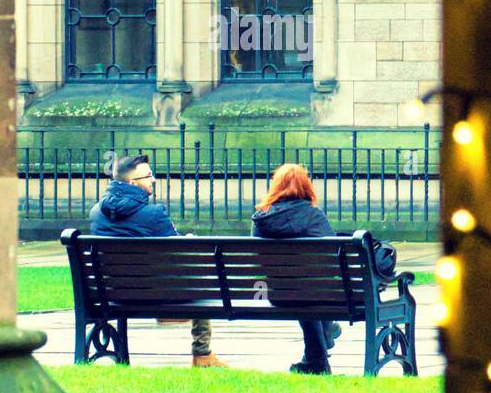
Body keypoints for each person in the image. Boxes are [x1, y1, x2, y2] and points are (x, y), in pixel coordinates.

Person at [88, 154, 227, 368]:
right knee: (202, 266)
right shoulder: (153, 214)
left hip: (114, 294)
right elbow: (179, 254)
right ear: (133, 183)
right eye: (149, 175)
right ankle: (202, 352)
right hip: (157, 296)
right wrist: (189, 242)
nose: (154, 179)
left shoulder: (96, 213)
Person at [250, 163, 343, 375]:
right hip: (317, 293)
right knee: (313, 287)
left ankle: (315, 361)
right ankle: (326, 335)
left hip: (279, 294)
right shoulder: (314, 216)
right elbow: (332, 261)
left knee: (302, 286)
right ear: (306, 187)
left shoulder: (261, 220)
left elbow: (257, 261)